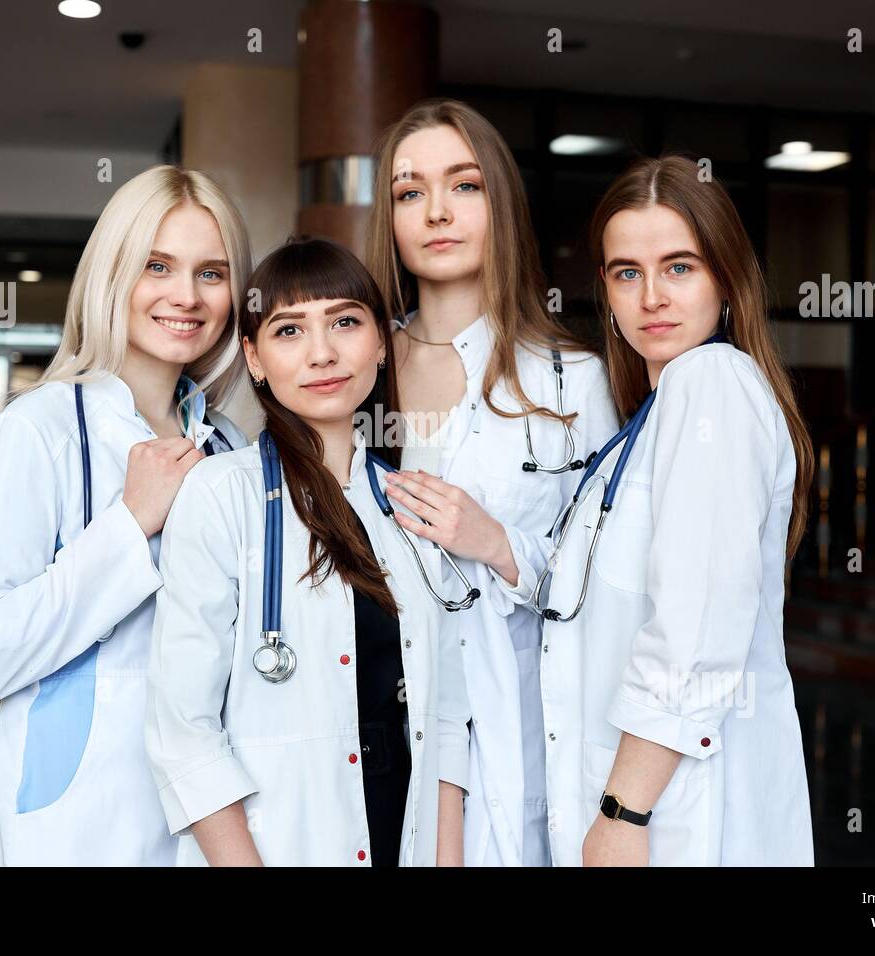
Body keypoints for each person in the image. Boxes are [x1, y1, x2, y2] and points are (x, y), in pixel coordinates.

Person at [0, 166, 250, 865]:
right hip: (76, 821)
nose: (186, 295)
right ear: (112, 274)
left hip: (210, 816)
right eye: (157, 266)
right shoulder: (38, 429)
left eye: (212, 273)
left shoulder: (231, 446)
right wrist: (129, 526)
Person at [145, 238, 470, 866]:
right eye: (289, 330)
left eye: (345, 322)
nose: (322, 353)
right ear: (254, 357)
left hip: (405, 835)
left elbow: (449, 717)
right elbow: (183, 729)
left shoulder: (415, 501)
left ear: (382, 343)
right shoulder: (223, 493)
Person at [539, 155, 815, 866]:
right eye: (627, 273)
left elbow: (694, 629)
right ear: (606, 289)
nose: (653, 296)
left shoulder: (710, 381)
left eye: (679, 267)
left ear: (725, 277)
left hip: (674, 810)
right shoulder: (653, 414)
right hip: (652, 795)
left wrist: (623, 812)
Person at [364, 98, 619, 865]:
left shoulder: (572, 380)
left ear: (500, 202)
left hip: (510, 740)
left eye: (464, 185)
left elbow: (612, 587)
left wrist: (500, 545)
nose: (436, 211)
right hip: (372, 727)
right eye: (410, 192)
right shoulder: (349, 367)